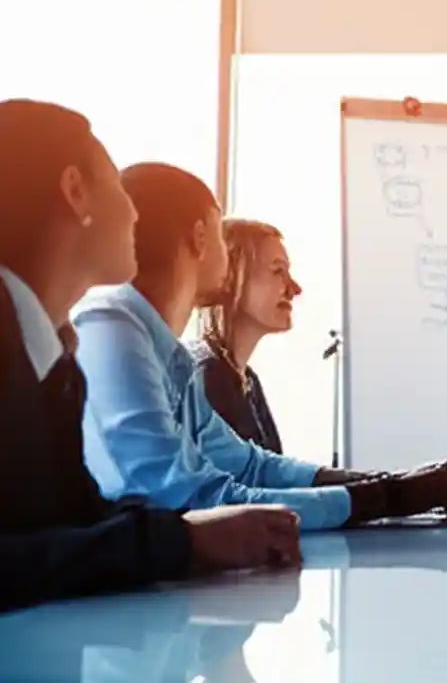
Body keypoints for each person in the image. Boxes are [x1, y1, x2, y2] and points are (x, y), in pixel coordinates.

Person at [0, 98, 301, 612]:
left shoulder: (55, 355)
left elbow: (78, 518)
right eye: (118, 185)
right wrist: (183, 541)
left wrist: (189, 532)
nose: (137, 214)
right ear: (75, 191)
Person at [74, 162, 447, 530]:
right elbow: (196, 502)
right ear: (200, 238)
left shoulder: (167, 354)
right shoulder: (112, 330)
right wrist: (385, 497)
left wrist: (389, 486)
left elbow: (250, 466)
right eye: (220, 232)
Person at [192, 218, 298, 455]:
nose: (295, 289)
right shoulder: (206, 379)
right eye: (277, 271)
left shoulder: (247, 380)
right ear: (229, 276)